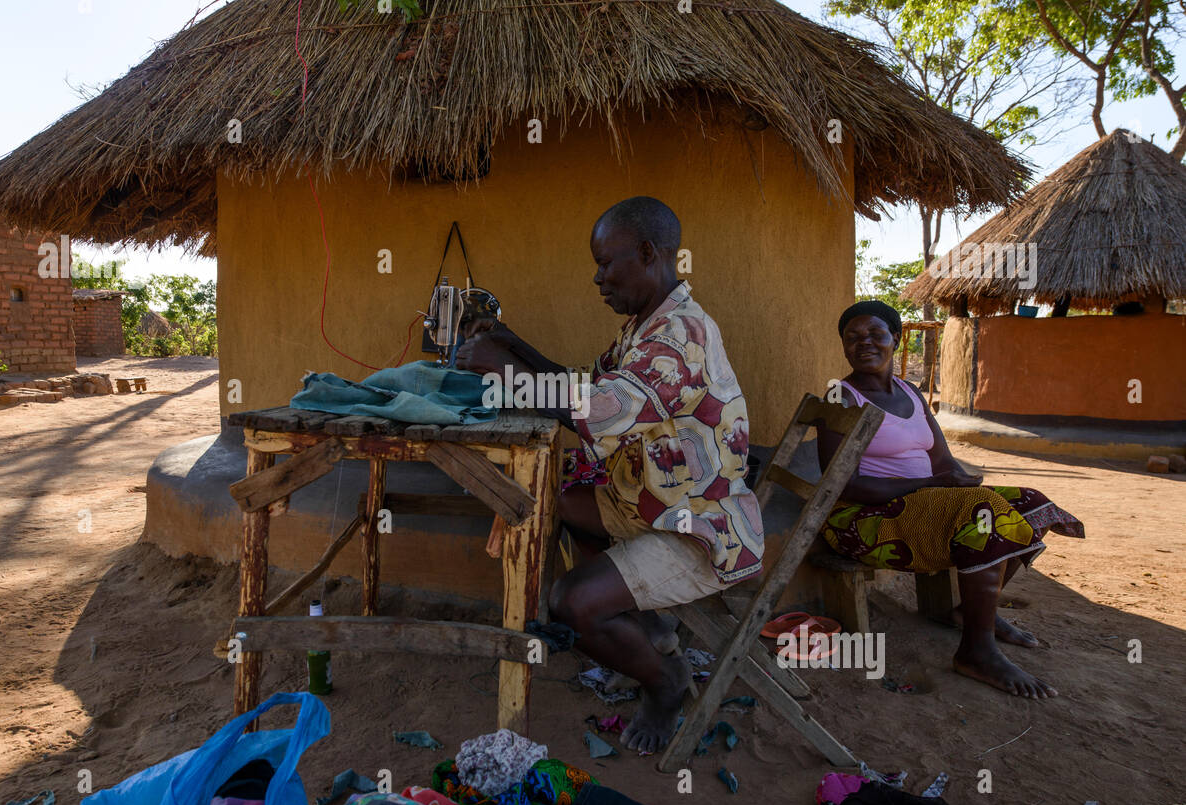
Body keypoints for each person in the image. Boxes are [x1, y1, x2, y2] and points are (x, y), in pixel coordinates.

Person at [455, 197, 763, 752]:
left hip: (698, 527)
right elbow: (586, 386)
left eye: (605, 263)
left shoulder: (679, 337)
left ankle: (665, 683)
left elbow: (599, 411)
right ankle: (645, 624)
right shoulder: (646, 326)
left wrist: (504, 369)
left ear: (647, 253)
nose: (597, 279)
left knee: (570, 603)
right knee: (551, 501)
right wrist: (510, 343)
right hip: (652, 498)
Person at [817, 300, 1085, 698]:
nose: (864, 344)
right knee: (985, 512)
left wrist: (956, 480)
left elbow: (940, 461)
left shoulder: (910, 392)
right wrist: (931, 487)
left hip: (923, 506)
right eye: (853, 338)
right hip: (864, 518)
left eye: (875, 334)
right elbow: (844, 486)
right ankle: (976, 651)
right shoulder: (842, 398)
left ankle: (976, 614)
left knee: (1029, 502)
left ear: (896, 337)